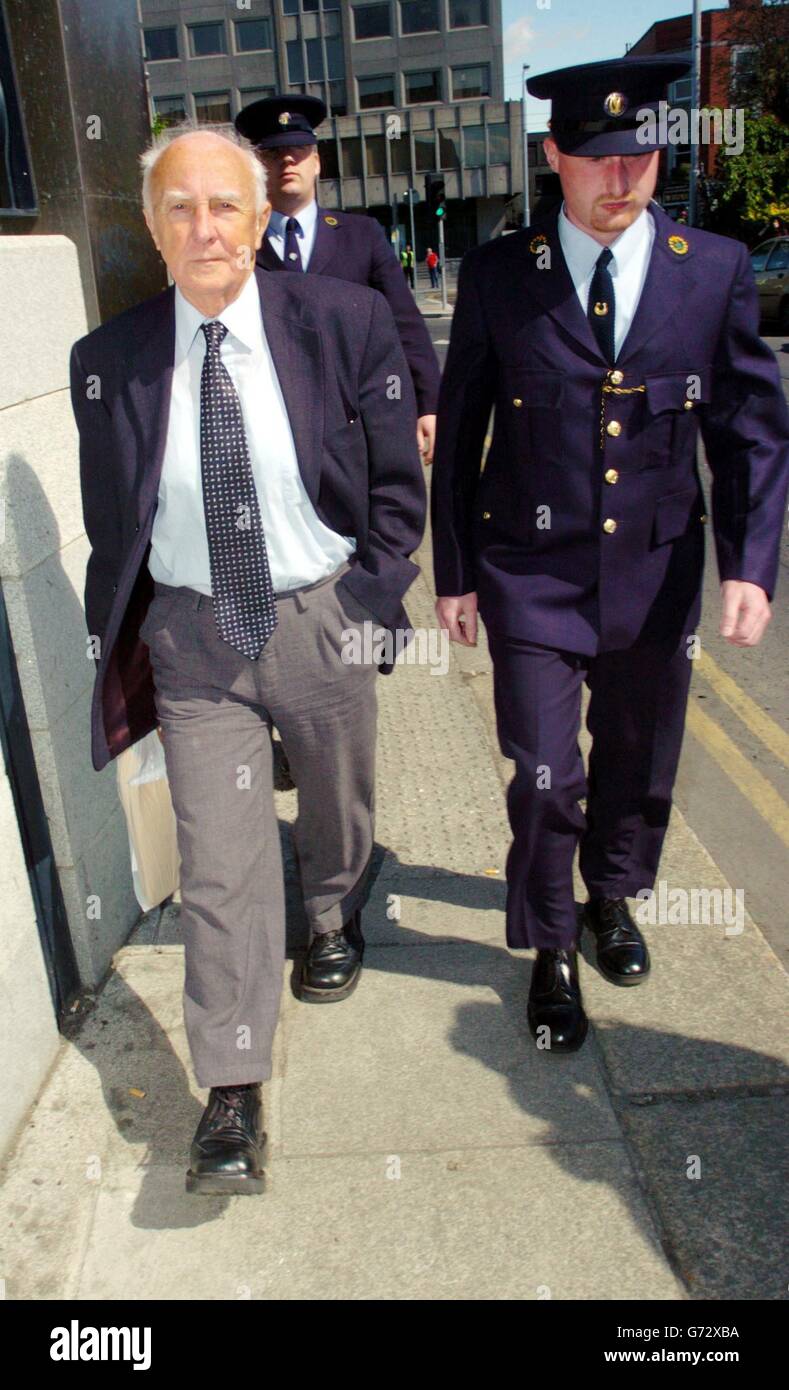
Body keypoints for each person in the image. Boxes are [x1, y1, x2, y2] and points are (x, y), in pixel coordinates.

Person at [70, 125, 426, 1192]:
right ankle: (232, 1093)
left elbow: (395, 485)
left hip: (321, 612)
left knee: (335, 799)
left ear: (260, 217)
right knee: (219, 865)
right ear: (152, 229)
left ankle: (331, 910)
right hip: (197, 638)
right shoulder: (111, 362)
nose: (204, 227)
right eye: (179, 208)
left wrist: (367, 592)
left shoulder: (345, 321)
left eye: (224, 205)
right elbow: (112, 519)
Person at [431, 56, 789, 1054]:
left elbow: (753, 429)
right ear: (555, 158)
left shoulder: (709, 268)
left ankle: (614, 896)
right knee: (545, 771)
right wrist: (453, 569)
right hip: (530, 572)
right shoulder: (503, 276)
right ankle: (550, 943)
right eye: (597, 158)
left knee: (638, 759)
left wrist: (752, 564)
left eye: (639, 156)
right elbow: (460, 430)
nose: (621, 178)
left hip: (658, 570)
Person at [235, 95, 439, 466]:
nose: (286, 160)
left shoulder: (361, 236)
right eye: (272, 153)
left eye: (298, 149)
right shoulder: (238, 244)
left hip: (356, 426)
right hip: (270, 429)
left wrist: (428, 404)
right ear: (257, 167)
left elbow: (403, 321)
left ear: (316, 162)